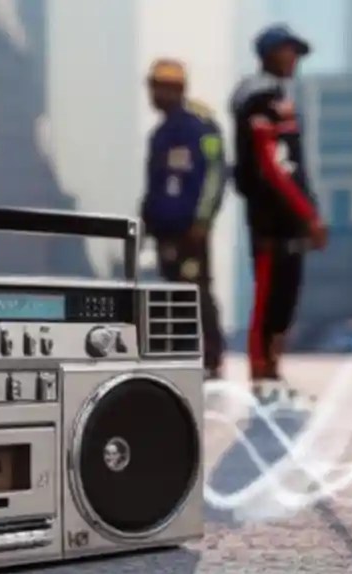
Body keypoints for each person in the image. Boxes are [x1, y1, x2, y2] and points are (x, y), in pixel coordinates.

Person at [229, 24, 329, 397]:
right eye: (290, 51)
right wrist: (308, 215)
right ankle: (262, 378)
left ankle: (272, 374)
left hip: (287, 217)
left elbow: (291, 165)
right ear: (271, 53)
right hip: (273, 217)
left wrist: (306, 212)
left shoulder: (275, 96)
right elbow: (272, 166)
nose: (295, 59)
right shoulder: (261, 97)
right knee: (270, 295)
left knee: (285, 294)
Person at [139, 59, 227, 379]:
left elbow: (216, 173)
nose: (154, 95)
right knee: (172, 293)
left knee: (196, 291)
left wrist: (203, 220)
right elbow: (155, 184)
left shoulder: (202, 126)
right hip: (165, 230)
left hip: (191, 229)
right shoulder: (160, 134)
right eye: (152, 87)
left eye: (160, 88)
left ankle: (211, 358)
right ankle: (180, 356)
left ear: (177, 89)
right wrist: (146, 220)